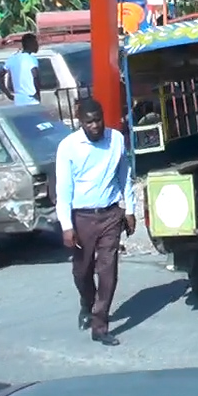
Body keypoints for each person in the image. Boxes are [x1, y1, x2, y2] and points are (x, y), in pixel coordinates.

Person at [55, 98, 136, 346]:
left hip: (111, 214)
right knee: (82, 272)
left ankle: (100, 326)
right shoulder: (68, 147)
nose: (94, 126)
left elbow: (125, 177)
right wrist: (67, 226)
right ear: (80, 122)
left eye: (98, 120)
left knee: (108, 271)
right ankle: (86, 304)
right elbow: (64, 189)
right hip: (82, 217)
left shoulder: (116, 140)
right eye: (89, 122)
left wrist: (130, 210)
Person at [0, 33, 41, 105]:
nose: (37, 45)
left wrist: (8, 94)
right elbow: (35, 78)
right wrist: (38, 95)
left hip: (18, 101)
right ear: (30, 44)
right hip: (31, 100)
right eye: (36, 43)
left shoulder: (12, 58)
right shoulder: (32, 59)